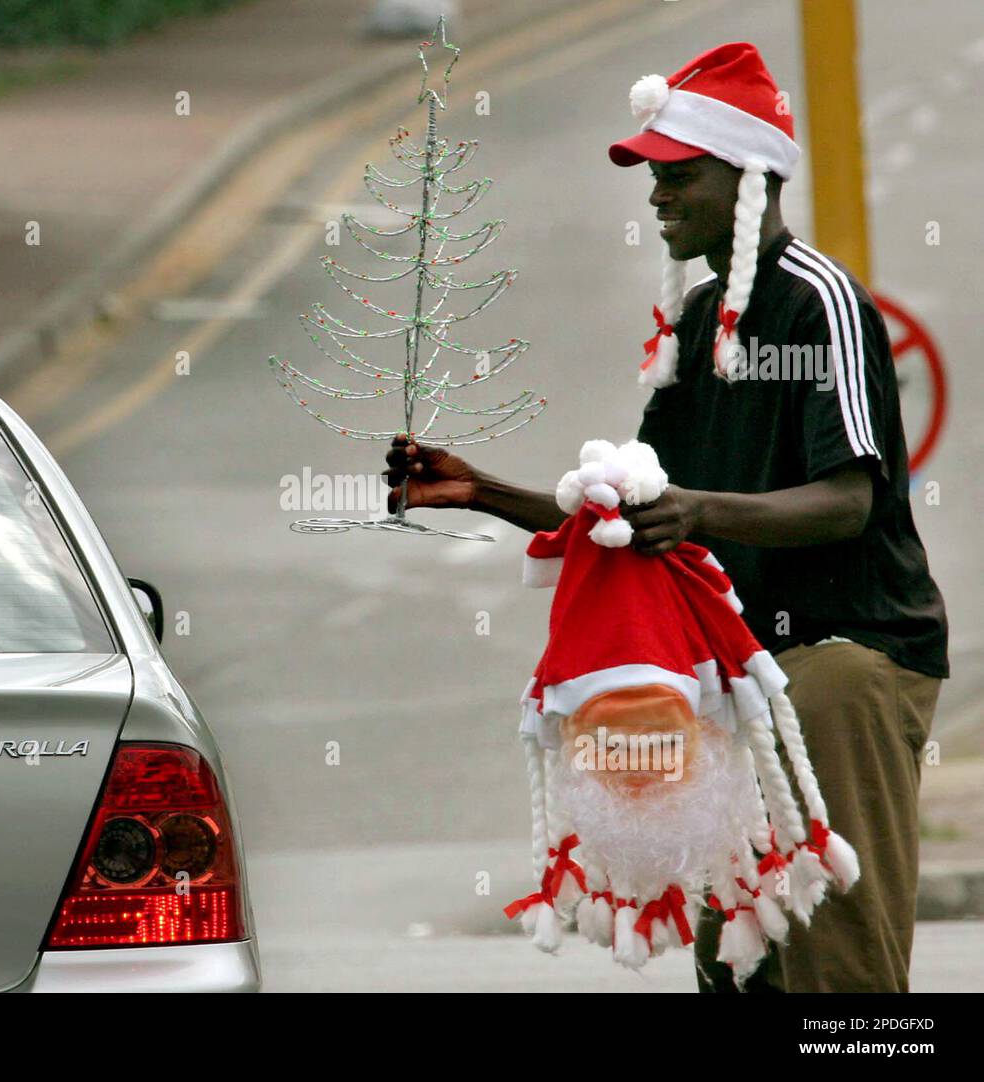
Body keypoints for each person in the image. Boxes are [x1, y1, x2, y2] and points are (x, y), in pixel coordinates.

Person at [383, 41, 948, 993]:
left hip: (849, 657)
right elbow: (637, 518)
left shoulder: (821, 302)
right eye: (652, 174)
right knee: (736, 954)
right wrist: (480, 491)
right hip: (738, 669)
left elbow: (851, 500)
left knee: (834, 960)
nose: (656, 194)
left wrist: (697, 510)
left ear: (746, 174)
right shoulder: (694, 327)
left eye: (676, 173)